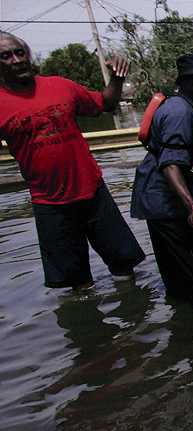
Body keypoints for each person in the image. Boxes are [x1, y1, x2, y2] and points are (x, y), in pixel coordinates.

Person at [0, 31, 145, 291]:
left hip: (93, 192)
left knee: (123, 265)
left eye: (20, 52)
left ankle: (136, 318)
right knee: (77, 283)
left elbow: (107, 104)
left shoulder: (61, 85)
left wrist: (117, 78)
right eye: (6, 56)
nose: (16, 59)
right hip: (50, 203)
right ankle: (89, 327)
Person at [130, 54, 193, 312]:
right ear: (184, 82)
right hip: (165, 203)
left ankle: (187, 317)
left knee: (187, 271)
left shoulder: (190, 108)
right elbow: (170, 165)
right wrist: (192, 207)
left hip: (168, 201)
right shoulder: (179, 112)